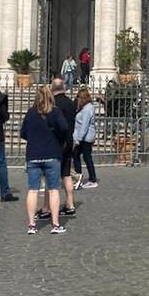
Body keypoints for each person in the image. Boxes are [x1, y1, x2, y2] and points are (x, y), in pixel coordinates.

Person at [22, 85, 70, 235]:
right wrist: (54, 135)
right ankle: (55, 224)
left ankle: (31, 225)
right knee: (54, 189)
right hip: (51, 153)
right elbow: (64, 128)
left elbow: (23, 133)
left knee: (33, 190)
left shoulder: (30, 113)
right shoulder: (55, 112)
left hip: (34, 154)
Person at [50, 78, 78, 217]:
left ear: (52, 88)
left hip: (55, 143)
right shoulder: (71, 103)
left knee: (51, 177)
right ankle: (70, 204)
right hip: (69, 141)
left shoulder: (52, 103)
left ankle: (47, 208)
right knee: (66, 174)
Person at [72, 87, 98, 188]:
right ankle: (80, 177)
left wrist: (78, 139)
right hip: (84, 137)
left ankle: (91, 179)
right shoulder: (85, 107)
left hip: (85, 138)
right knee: (79, 157)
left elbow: (84, 126)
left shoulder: (87, 109)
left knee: (85, 158)